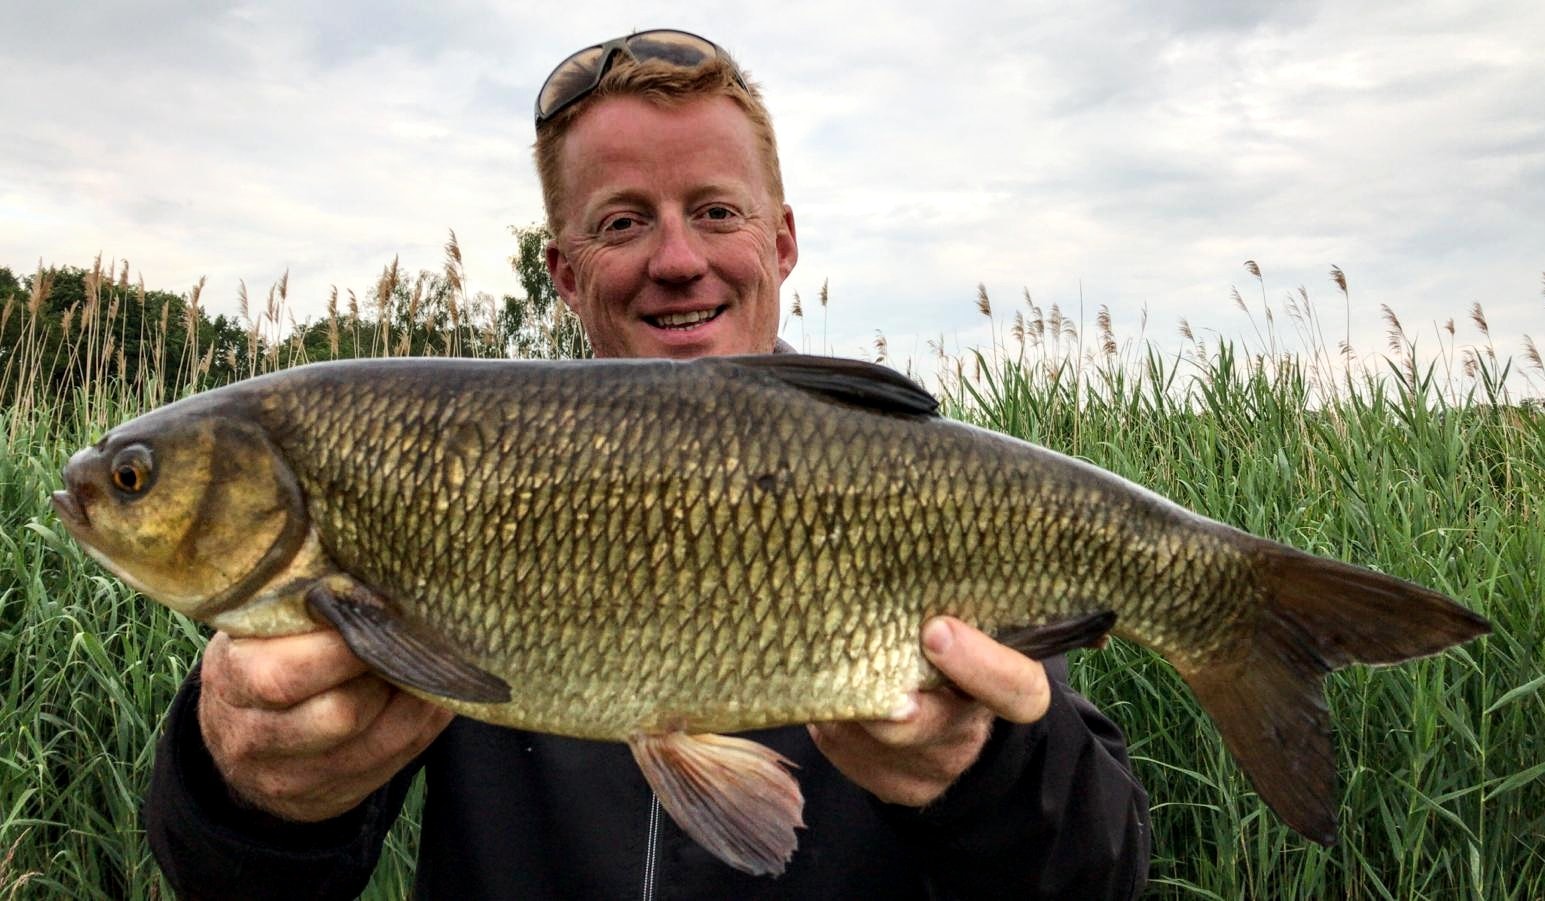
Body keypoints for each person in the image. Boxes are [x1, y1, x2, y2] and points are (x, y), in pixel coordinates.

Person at [145, 30, 1151, 898]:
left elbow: (1099, 877)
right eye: (623, 222)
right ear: (563, 271)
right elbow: (231, 881)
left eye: (715, 211)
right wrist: (246, 786)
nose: (677, 259)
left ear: (782, 242)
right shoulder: (452, 467)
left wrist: (982, 772)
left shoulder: (908, 482)